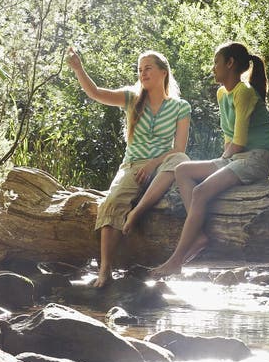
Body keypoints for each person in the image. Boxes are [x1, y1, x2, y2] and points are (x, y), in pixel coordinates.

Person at [66, 47, 191, 287]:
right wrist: (79, 69)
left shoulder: (180, 107)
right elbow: (95, 93)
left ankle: (137, 212)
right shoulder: (131, 99)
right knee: (111, 202)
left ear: (163, 72)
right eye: (140, 69)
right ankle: (105, 270)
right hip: (133, 166)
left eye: (148, 68)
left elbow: (179, 148)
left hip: (163, 164)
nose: (143, 73)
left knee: (182, 160)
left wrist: (155, 162)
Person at [150, 41, 269, 279]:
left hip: (256, 158)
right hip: (236, 156)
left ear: (229, 63)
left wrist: (222, 162)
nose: (212, 67)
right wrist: (222, 162)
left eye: (216, 62)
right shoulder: (222, 93)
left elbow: (238, 141)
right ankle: (197, 235)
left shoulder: (245, 93)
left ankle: (176, 260)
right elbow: (230, 138)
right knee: (183, 170)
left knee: (201, 192)